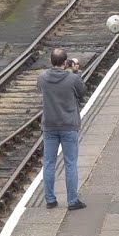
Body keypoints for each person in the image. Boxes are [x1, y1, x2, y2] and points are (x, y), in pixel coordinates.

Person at [38, 47, 88, 210]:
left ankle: (50, 200)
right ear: (65, 62)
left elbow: (40, 88)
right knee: (70, 163)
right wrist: (75, 72)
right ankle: (72, 201)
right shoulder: (72, 79)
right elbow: (82, 92)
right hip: (68, 126)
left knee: (49, 163)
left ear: (51, 61)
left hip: (49, 126)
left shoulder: (43, 78)